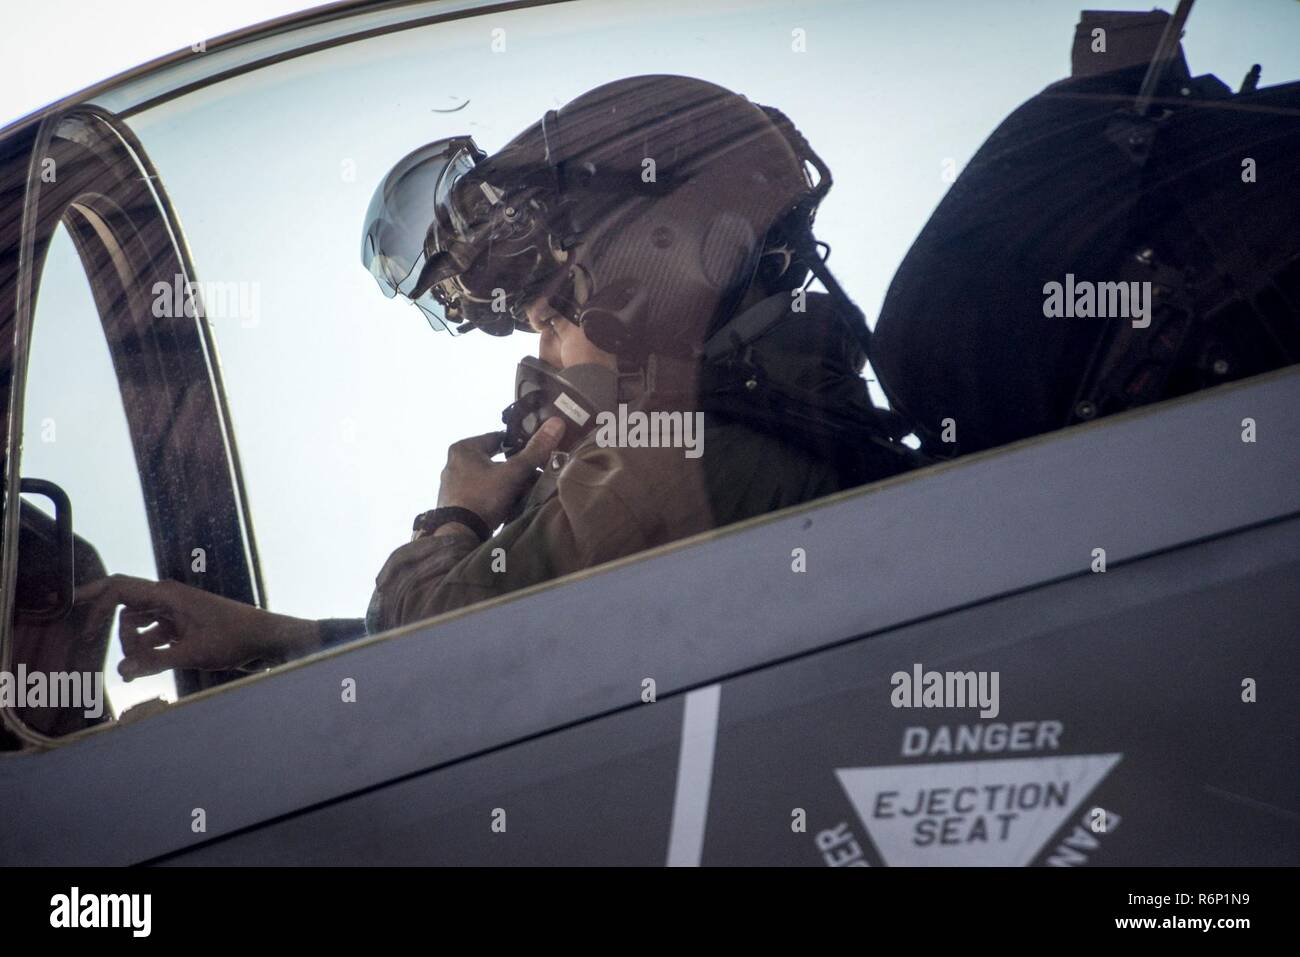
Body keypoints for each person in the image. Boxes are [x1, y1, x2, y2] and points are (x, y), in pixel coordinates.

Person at [77, 74, 918, 682]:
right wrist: (274, 637)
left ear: (657, 272)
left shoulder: (672, 464)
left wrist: (455, 516)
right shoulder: (763, 424)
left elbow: (439, 671)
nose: (538, 359)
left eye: (553, 316)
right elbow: (534, 636)